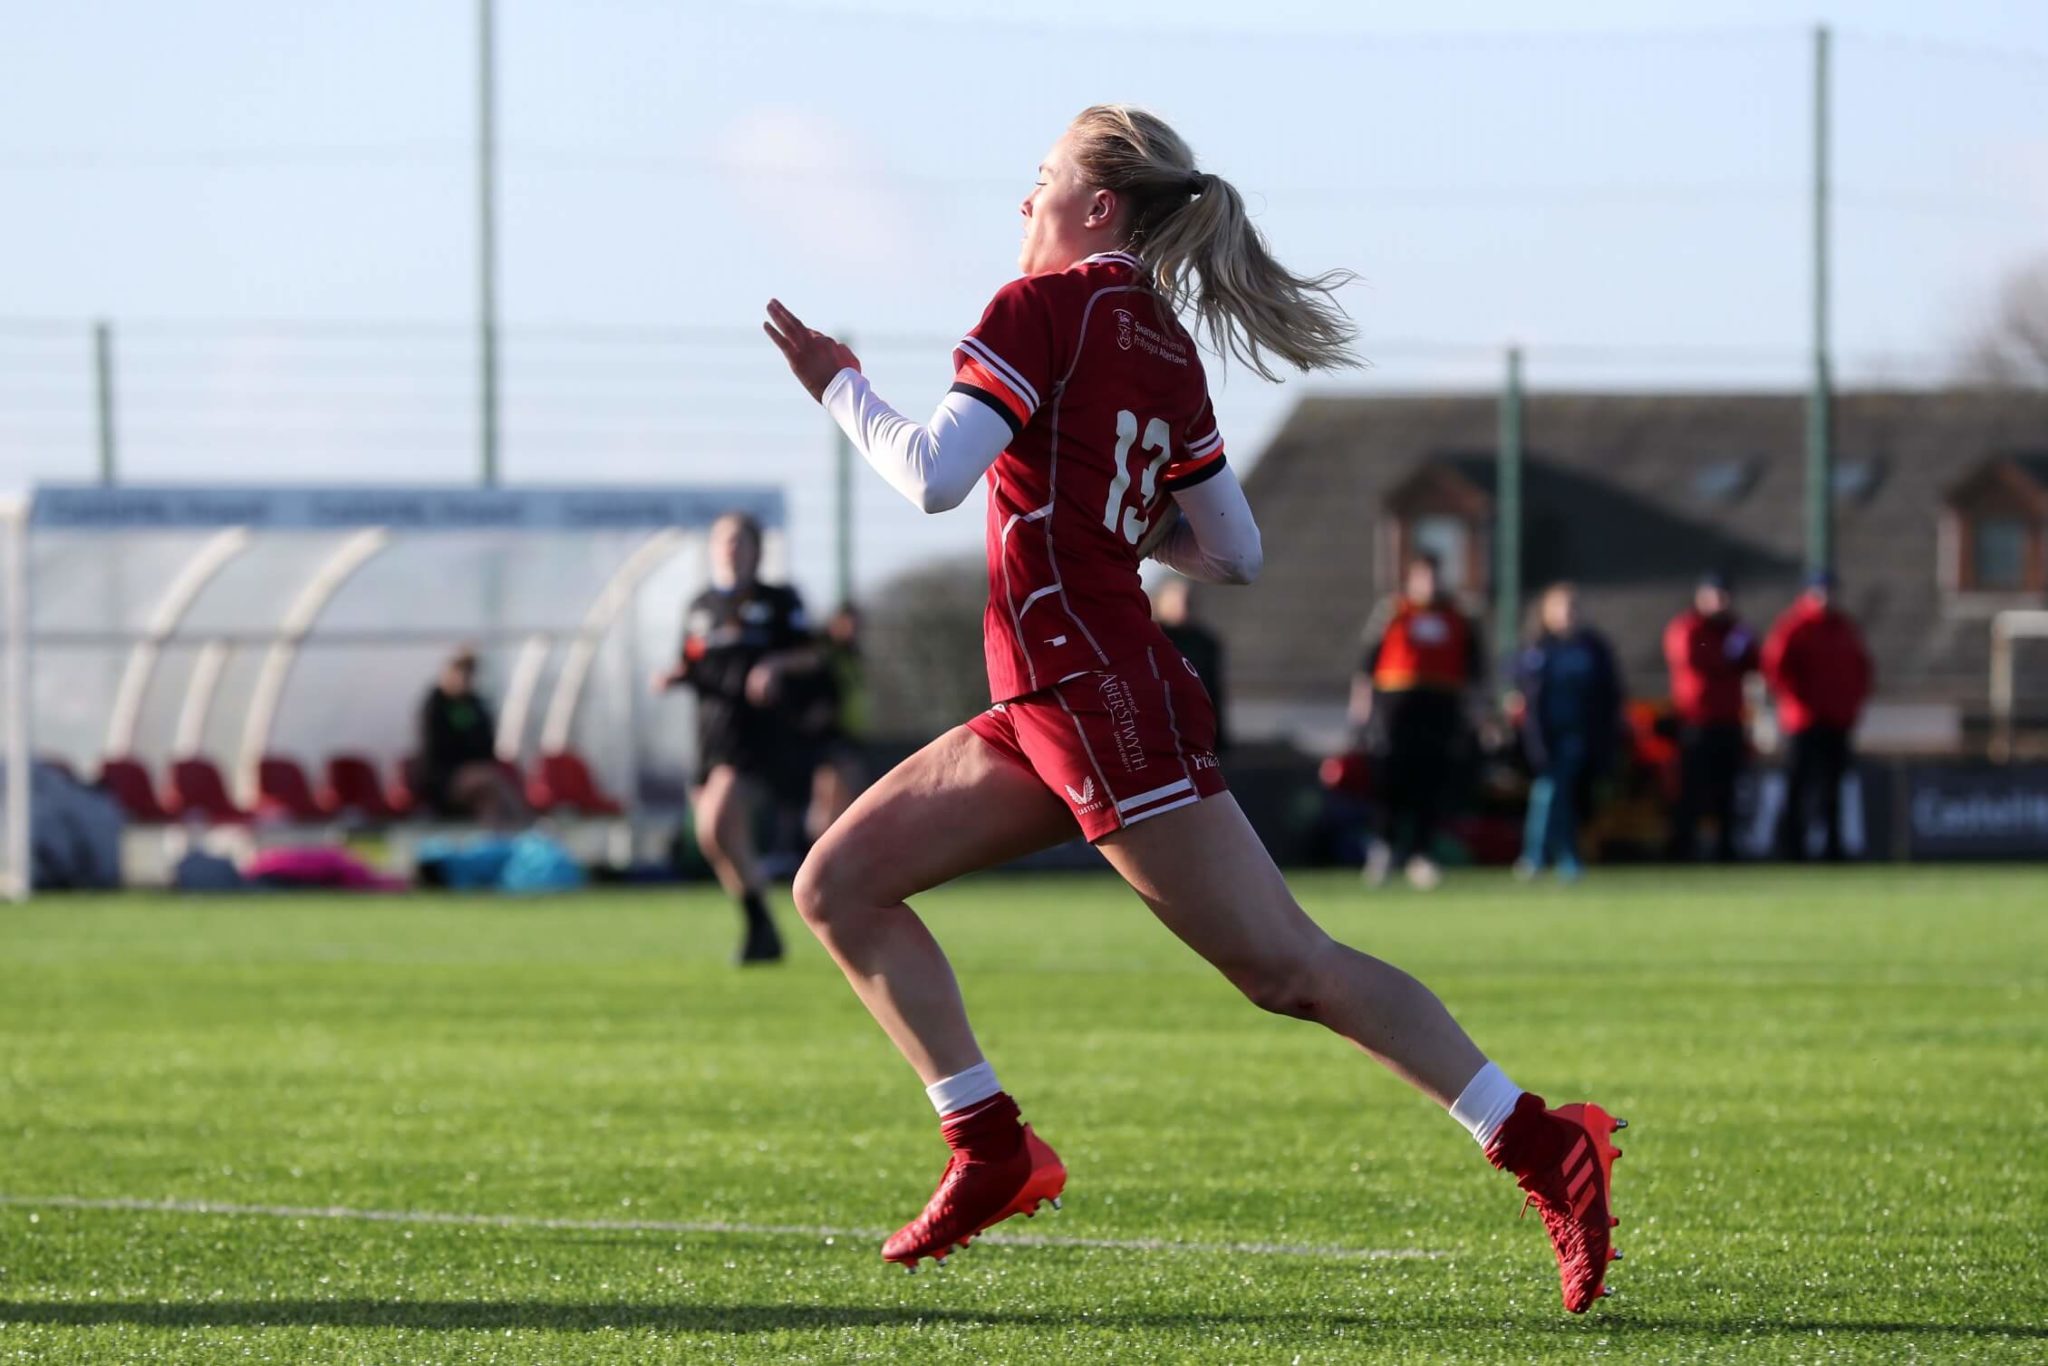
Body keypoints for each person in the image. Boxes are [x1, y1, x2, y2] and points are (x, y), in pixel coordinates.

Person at [761, 104, 1623, 1312]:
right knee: (835, 884)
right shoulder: (1164, 342)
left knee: (1288, 968)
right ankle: (989, 1143)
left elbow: (931, 478)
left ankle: (1543, 1141)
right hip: (1052, 694)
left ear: (1098, 206)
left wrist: (839, 386)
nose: (1026, 203)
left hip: (1091, 696)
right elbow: (1235, 549)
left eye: (1042, 179)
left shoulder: (1038, 309)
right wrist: (1112, 525)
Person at [655, 511, 818, 964]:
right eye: (723, 541)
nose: (731, 549)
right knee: (715, 841)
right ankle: (760, 925)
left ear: (755, 549)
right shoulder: (700, 607)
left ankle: (761, 923)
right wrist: (674, 676)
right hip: (709, 734)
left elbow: (810, 655)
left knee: (715, 823)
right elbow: (691, 662)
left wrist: (774, 666)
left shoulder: (779, 601)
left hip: (755, 736)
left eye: (739, 541)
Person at [1349, 552, 1482, 890]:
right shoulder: (1393, 612)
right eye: (1423, 577)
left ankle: (1421, 854)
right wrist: (1361, 704)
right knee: (1391, 778)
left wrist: (1477, 709)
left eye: (1435, 577)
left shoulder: (1459, 617)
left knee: (1431, 782)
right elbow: (1367, 662)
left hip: (1440, 707)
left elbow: (1475, 668)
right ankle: (1384, 848)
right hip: (1396, 707)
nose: (1430, 584)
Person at [1513, 585, 1624, 883]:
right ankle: (1542, 855)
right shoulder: (1538, 648)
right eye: (1561, 607)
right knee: (1549, 793)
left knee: (1566, 796)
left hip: (1581, 736)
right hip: (1549, 736)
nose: (1568, 614)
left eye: (1573, 607)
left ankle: (1556, 856)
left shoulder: (1592, 648)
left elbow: (1609, 693)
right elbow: (1526, 693)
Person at [1763, 571, 1873, 861]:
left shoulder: (1844, 628)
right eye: (1820, 591)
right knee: (1799, 786)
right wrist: (1797, 701)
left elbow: (1861, 670)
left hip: (1837, 720)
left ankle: (1832, 849)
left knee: (1833, 790)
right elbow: (1775, 669)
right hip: (1803, 722)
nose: (1826, 598)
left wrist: (1851, 705)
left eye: (1830, 591)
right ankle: (1791, 849)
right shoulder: (1794, 627)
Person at [1662, 573, 1758, 862]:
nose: (1720, 602)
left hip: (1728, 721)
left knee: (1727, 793)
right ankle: (1683, 851)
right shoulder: (1688, 628)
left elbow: (1754, 662)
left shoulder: (1733, 629)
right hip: (1696, 722)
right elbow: (1697, 660)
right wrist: (1729, 656)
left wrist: (1741, 650)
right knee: (1692, 791)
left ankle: (1726, 852)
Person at [415, 647, 526, 826]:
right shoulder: (436, 705)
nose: (464, 681)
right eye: (460, 674)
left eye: (468, 676)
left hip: (478, 777)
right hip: (443, 780)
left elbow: (487, 744)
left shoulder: (474, 704)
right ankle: (524, 826)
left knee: (490, 799)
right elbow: (437, 750)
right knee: (490, 781)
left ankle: (501, 837)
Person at [1151, 576, 1229, 752]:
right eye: (1174, 600)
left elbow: (1213, 691)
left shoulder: (1205, 642)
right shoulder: (1149, 640)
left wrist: (1219, 736)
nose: (1180, 606)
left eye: (1184, 600)